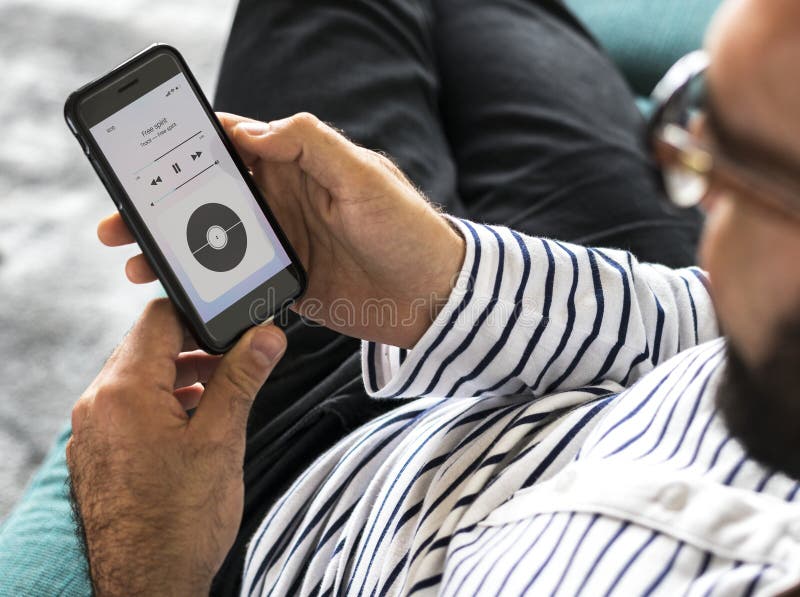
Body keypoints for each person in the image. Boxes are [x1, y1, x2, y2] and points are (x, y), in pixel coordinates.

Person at [65, 0, 800, 595]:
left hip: (320, 482)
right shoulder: (765, 330)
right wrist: (447, 282)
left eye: (735, 178)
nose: (709, 229)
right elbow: (705, 325)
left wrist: (152, 563)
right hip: (593, 323)